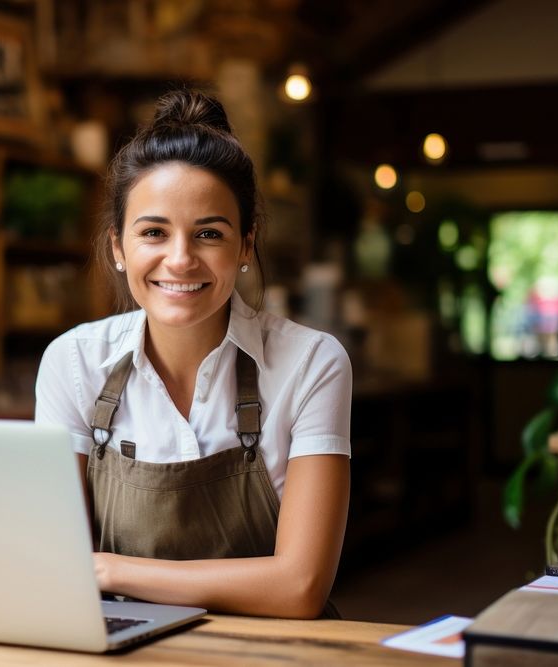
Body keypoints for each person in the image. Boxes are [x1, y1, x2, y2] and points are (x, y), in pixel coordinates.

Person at [35, 90, 351, 619]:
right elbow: (55, 566)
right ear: (118, 247)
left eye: (208, 233)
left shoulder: (311, 363)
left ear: (245, 246)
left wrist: (111, 571)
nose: (180, 260)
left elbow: (299, 587)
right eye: (154, 232)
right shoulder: (73, 362)